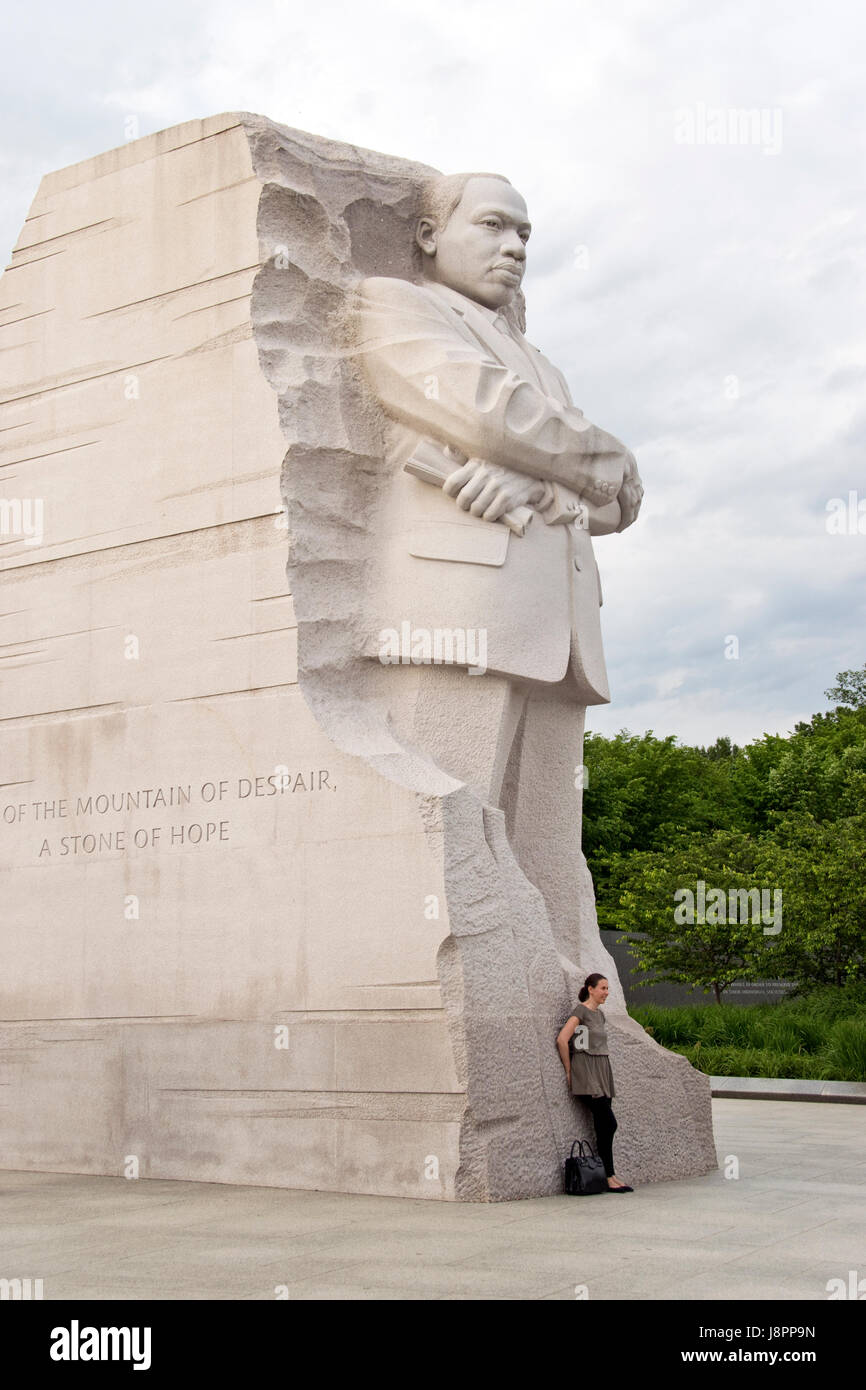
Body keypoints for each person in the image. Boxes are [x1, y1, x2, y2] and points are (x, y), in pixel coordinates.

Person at [352, 172, 644, 990]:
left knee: (550, 846)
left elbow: (624, 499)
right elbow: (485, 412)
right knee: (451, 822)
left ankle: (570, 997)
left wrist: (544, 483)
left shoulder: (542, 363)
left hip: (562, 627)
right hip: (461, 610)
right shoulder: (395, 304)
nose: (515, 248)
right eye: (493, 226)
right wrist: (596, 462)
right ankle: (456, 994)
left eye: (526, 235)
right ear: (429, 236)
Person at [556, 973, 634, 1191]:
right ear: (590, 989)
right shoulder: (581, 1011)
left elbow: (587, 1041)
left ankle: (610, 1175)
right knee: (609, 1123)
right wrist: (569, 1070)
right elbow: (563, 1039)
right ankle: (609, 1176)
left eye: (608, 988)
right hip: (588, 1075)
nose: (606, 993)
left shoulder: (599, 1015)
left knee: (604, 1127)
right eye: (603, 988)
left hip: (601, 1073)